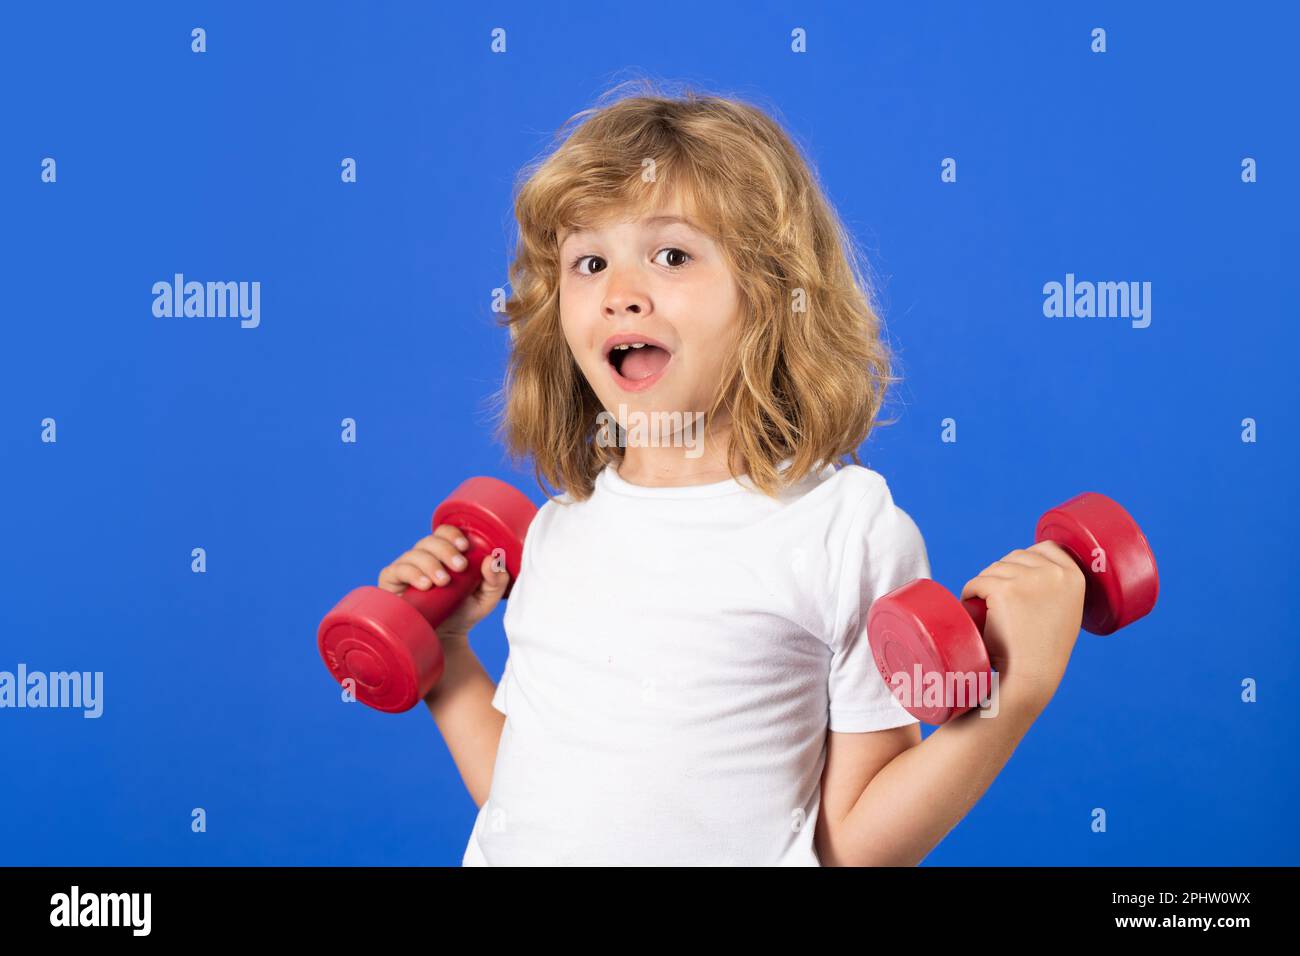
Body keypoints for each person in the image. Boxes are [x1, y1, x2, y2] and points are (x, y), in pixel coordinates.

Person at [378, 82, 1086, 866]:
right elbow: (532, 801)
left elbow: (854, 844)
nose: (620, 294)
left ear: (774, 294)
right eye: (588, 261)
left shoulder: (841, 530)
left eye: (672, 255)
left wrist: (1012, 697)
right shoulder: (560, 529)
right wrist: (443, 658)